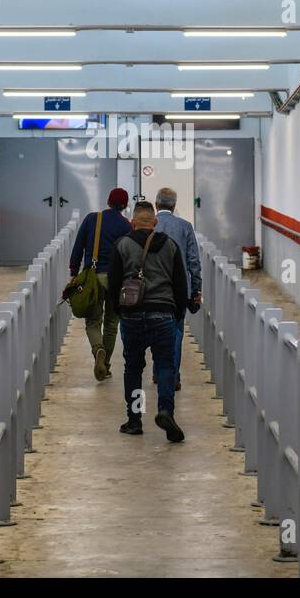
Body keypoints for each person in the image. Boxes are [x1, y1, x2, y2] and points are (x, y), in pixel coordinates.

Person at [108, 201, 188, 443]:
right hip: (163, 314)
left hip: (132, 315)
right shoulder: (170, 246)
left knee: (133, 367)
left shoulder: (122, 245)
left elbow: (113, 284)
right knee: (165, 365)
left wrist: (118, 311)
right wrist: (179, 314)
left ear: (132, 223)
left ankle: (135, 420)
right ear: (155, 223)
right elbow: (180, 284)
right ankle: (166, 411)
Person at [69, 187, 132, 381]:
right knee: (112, 323)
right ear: (125, 205)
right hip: (116, 279)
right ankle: (105, 365)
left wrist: (74, 272)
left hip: (94, 278)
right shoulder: (126, 226)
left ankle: (98, 350)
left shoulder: (92, 219)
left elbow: (78, 247)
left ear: (108, 201)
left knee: (93, 321)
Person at [153, 187, 201, 392]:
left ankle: (158, 372)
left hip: (154, 289)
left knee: (156, 331)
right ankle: (172, 376)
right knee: (175, 333)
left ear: (156, 204)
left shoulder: (150, 226)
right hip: (179, 290)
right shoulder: (185, 227)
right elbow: (193, 262)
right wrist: (196, 290)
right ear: (174, 205)